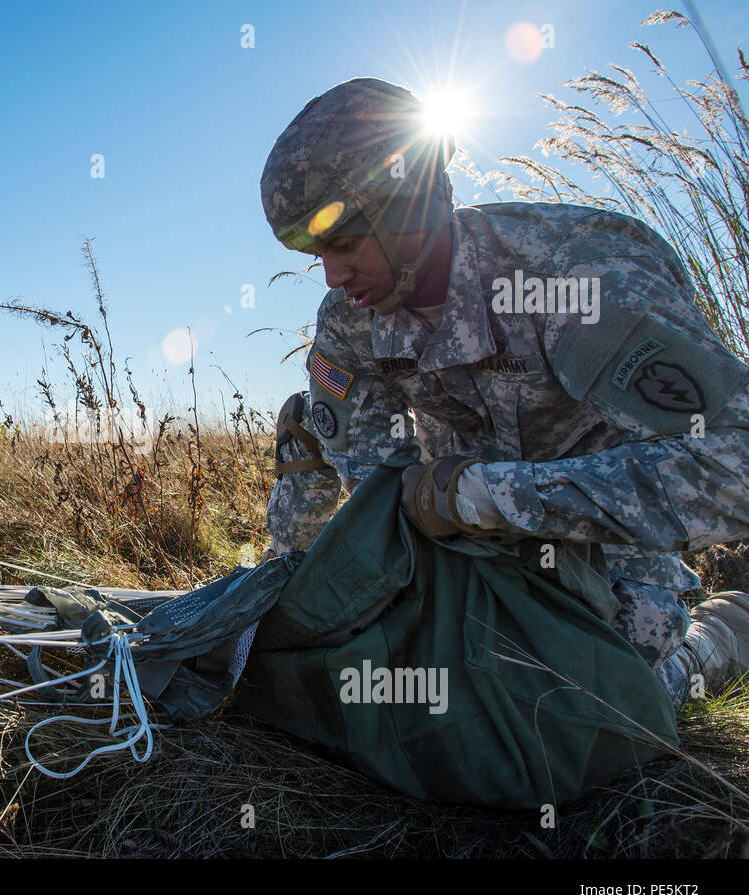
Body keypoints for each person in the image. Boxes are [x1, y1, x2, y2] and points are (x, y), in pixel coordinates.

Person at [259, 77, 749, 703]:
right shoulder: (352, 320)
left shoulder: (579, 277)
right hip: (460, 534)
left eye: (345, 243)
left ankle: (720, 636)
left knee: (596, 703)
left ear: (411, 200)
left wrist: (486, 496)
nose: (333, 274)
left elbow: (733, 468)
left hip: (602, 537)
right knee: (403, 675)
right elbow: (378, 487)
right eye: (314, 251)